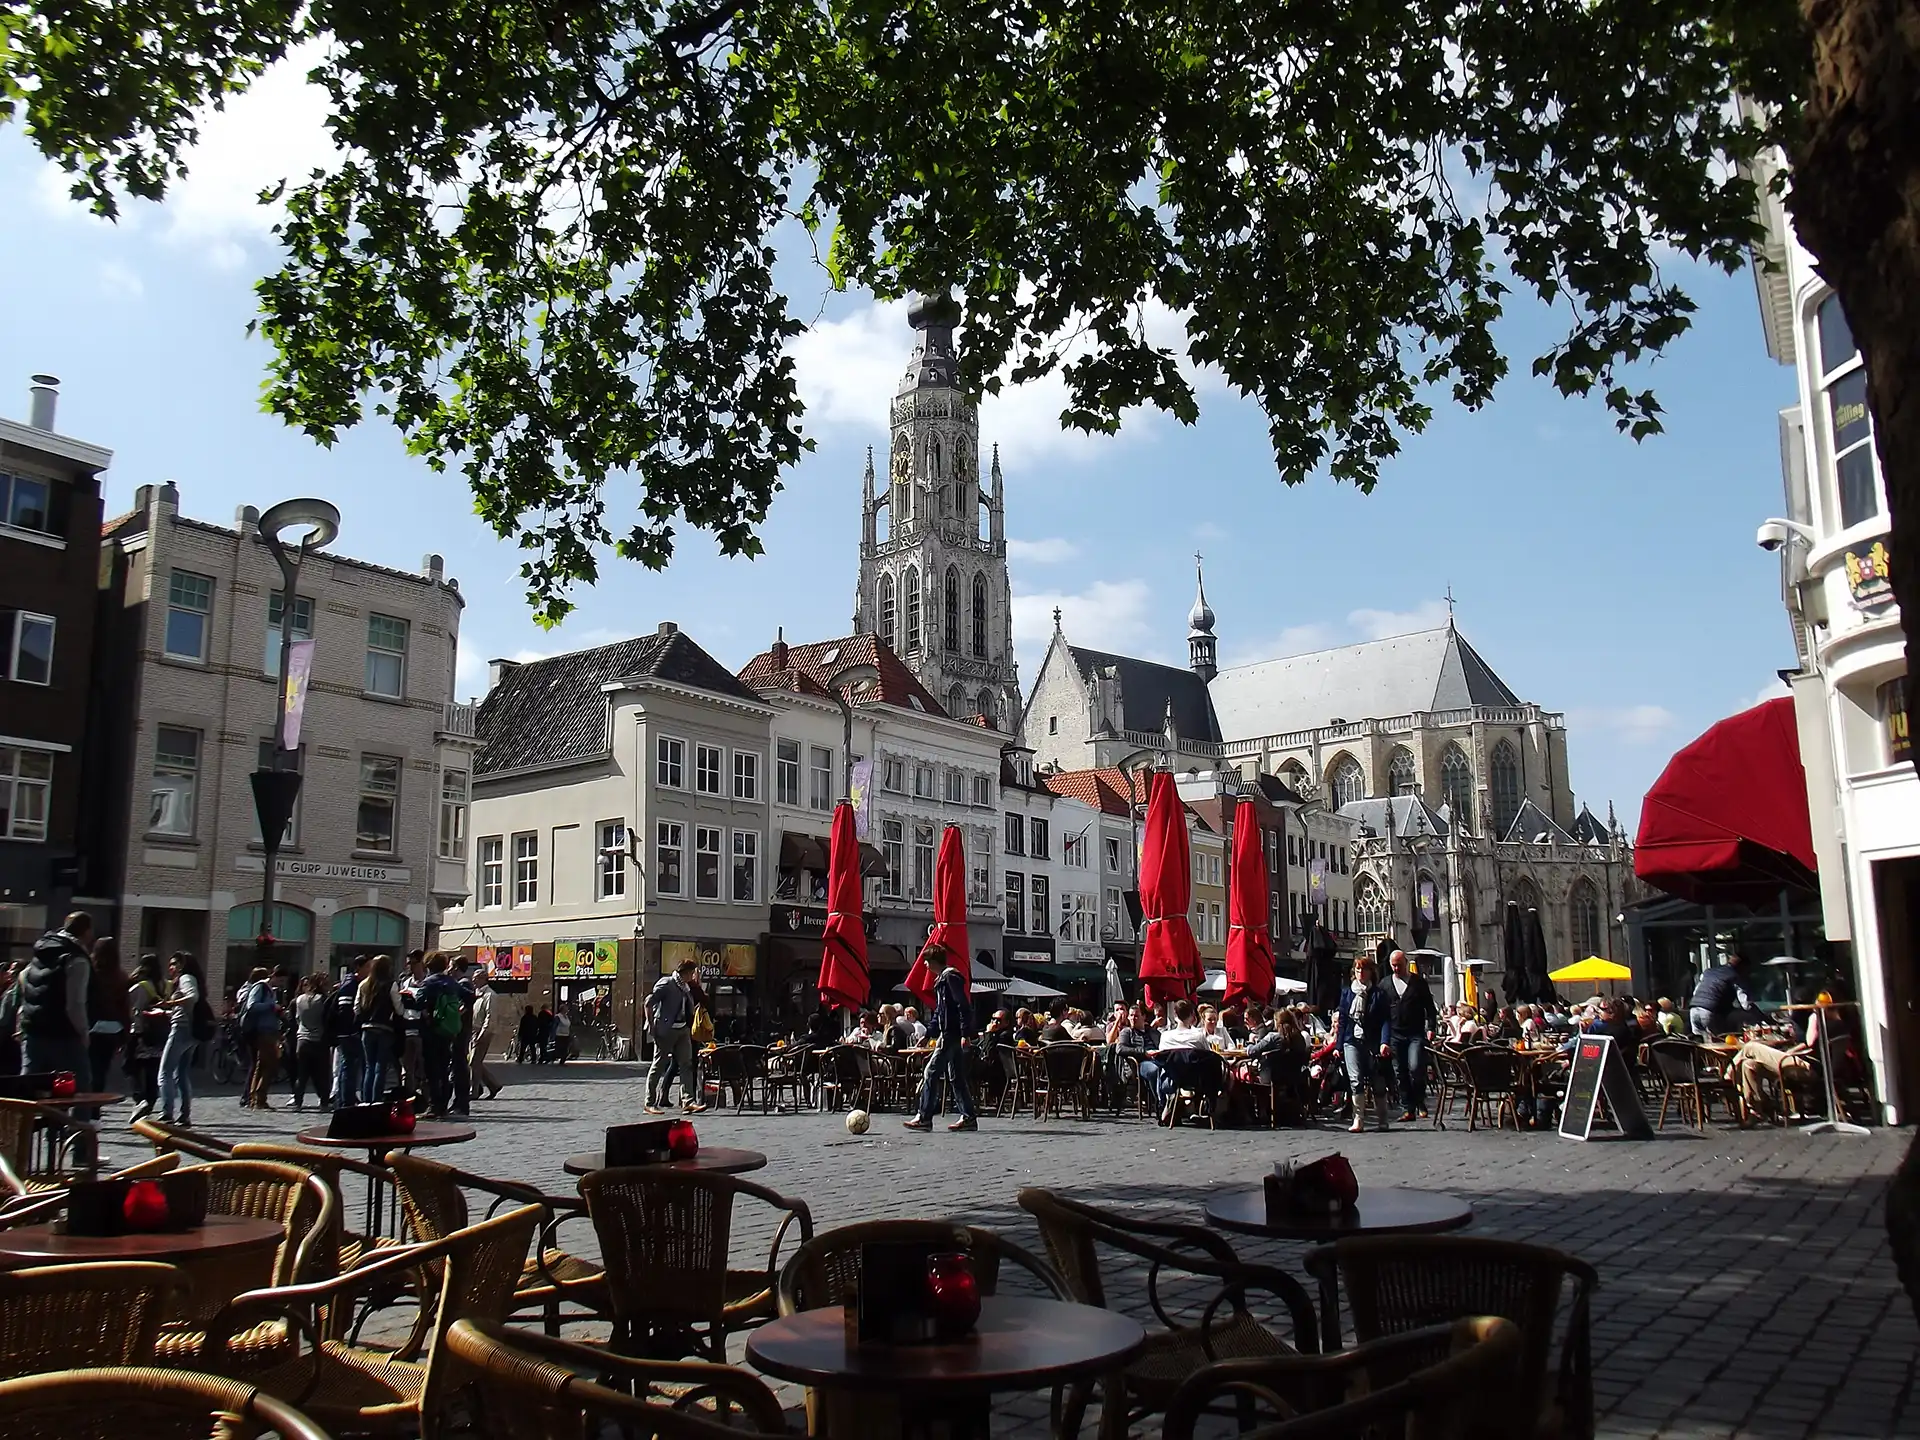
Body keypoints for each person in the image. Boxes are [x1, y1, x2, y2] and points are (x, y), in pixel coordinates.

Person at [19, 911, 94, 1084]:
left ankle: (22, 1112)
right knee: (80, 1086)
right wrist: (83, 1032)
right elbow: (75, 1003)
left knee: (28, 1085)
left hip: (34, 1028)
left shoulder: (43, 949)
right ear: (87, 932)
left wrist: (24, 1015)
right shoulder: (77, 958)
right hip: (64, 1033)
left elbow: (24, 977)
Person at [904, 963, 978, 1132]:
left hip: (950, 1035)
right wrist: (928, 1035)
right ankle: (968, 1117)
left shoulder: (949, 979)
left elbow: (962, 1006)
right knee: (956, 1077)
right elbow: (940, 1012)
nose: (925, 964)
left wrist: (965, 1033)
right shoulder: (942, 981)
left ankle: (924, 1117)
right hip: (951, 1033)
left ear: (932, 961)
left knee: (930, 1072)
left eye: (926, 961)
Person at [1337, 957, 1393, 1134]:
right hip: (1351, 1040)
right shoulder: (1347, 993)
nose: (1360, 973)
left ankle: (1383, 1119)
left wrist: (1384, 1042)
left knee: (1377, 1080)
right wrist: (1338, 1046)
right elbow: (1343, 1020)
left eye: (1364, 969)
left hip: (1372, 1042)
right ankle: (1358, 1119)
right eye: (1357, 969)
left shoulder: (1378, 994)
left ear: (1370, 972)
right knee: (1355, 1079)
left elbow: (1385, 1020)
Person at [1381, 949, 1437, 1121]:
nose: (1396, 969)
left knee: (1415, 1067)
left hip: (1415, 1033)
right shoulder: (1385, 984)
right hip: (1395, 1034)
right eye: (1393, 966)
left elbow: (1430, 1008)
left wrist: (1431, 1027)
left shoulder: (1418, 982)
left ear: (1406, 963)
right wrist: (1383, 1038)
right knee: (1400, 1072)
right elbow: (1382, 1013)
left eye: (1399, 965)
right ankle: (1408, 1108)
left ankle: (1419, 1100)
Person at [645, 959, 705, 1114]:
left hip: (682, 1029)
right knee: (659, 1065)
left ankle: (688, 1102)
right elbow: (648, 1002)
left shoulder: (686, 987)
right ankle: (649, 1102)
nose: (693, 976)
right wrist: (651, 1025)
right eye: (691, 973)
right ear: (685, 972)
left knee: (686, 1064)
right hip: (666, 1030)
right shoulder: (667, 983)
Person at [156, 952, 205, 1126]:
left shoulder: (186, 978)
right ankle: (184, 1115)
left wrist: (170, 1004)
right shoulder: (189, 978)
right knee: (182, 1073)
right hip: (190, 1031)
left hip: (181, 1029)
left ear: (182, 964)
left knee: (165, 1072)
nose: (170, 968)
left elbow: (192, 997)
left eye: (173, 964)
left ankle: (167, 1112)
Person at [417, 952, 468, 1116]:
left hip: (431, 1029)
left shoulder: (428, 983)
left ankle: (434, 1105)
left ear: (428, 965)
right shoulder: (452, 982)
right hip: (448, 1030)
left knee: (431, 1069)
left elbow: (418, 1002)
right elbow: (470, 997)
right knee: (445, 1068)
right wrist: (459, 1012)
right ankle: (444, 1104)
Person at [124, 953, 167, 1120]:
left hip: (140, 1033)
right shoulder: (166, 985)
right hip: (160, 1033)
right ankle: (149, 1103)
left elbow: (131, 1006)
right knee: (152, 1071)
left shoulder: (141, 986)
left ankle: (139, 1099)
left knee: (130, 1067)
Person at [356, 953, 403, 1102]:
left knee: (369, 1067)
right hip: (384, 1029)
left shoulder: (363, 984)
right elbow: (399, 1009)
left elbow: (356, 1008)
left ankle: (366, 1099)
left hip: (367, 1028)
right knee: (380, 1067)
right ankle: (376, 1100)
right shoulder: (390, 984)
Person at [236, 966, 282, 1108]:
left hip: (269, 1030)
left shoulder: (270, 990)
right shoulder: (260, 987)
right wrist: (271, 1006)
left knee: (260, 1065)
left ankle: (254, 1098)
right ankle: (257, 1097)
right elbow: (252, 1005)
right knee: (269, 1065)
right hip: (262, 1031)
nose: (281, 984)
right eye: (281, 980)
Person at [1688, 954, 1765, 1037]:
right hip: (1710, 1012)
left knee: (1700, 1043)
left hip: (1694, 1010)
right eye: (1747, 969)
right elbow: (1746, 1004)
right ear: (1742, 966)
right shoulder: (1735, 976)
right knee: (1717, 1042)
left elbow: (1695, 992)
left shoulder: (1708, 972)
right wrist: (1762, 1017)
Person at [289, 973, 332, 1109]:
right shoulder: (323, 1000)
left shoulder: (299, 999)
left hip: (302, 1040)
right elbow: (327, 1020)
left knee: (301, 1075)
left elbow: (297, 1019)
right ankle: (324, 1102)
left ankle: (298, 1101)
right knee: (322, 1074)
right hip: (319, 1040)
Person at [326, 961, 366, 1107]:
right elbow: (344, 1010)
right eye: (367, 967)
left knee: (346, 1065)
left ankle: (345, 1098)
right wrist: (351, 1029)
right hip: (348, 1032)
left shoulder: (351, 984)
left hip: (346, 1032)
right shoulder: (350, 985)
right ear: (359, 968)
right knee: (348, 1066)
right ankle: (346, 1099)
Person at [469, 967, 502, 1100]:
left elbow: (490, 1017)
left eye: (476, 978)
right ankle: (493, 1085)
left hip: (482, 1031)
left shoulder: (490, 995)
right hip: (472, 1031)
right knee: (474, 1062)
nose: (473, 981)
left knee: (473, 1062)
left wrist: (483, 1033)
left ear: (483, 978)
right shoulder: (476, 994)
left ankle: (474, 1091)